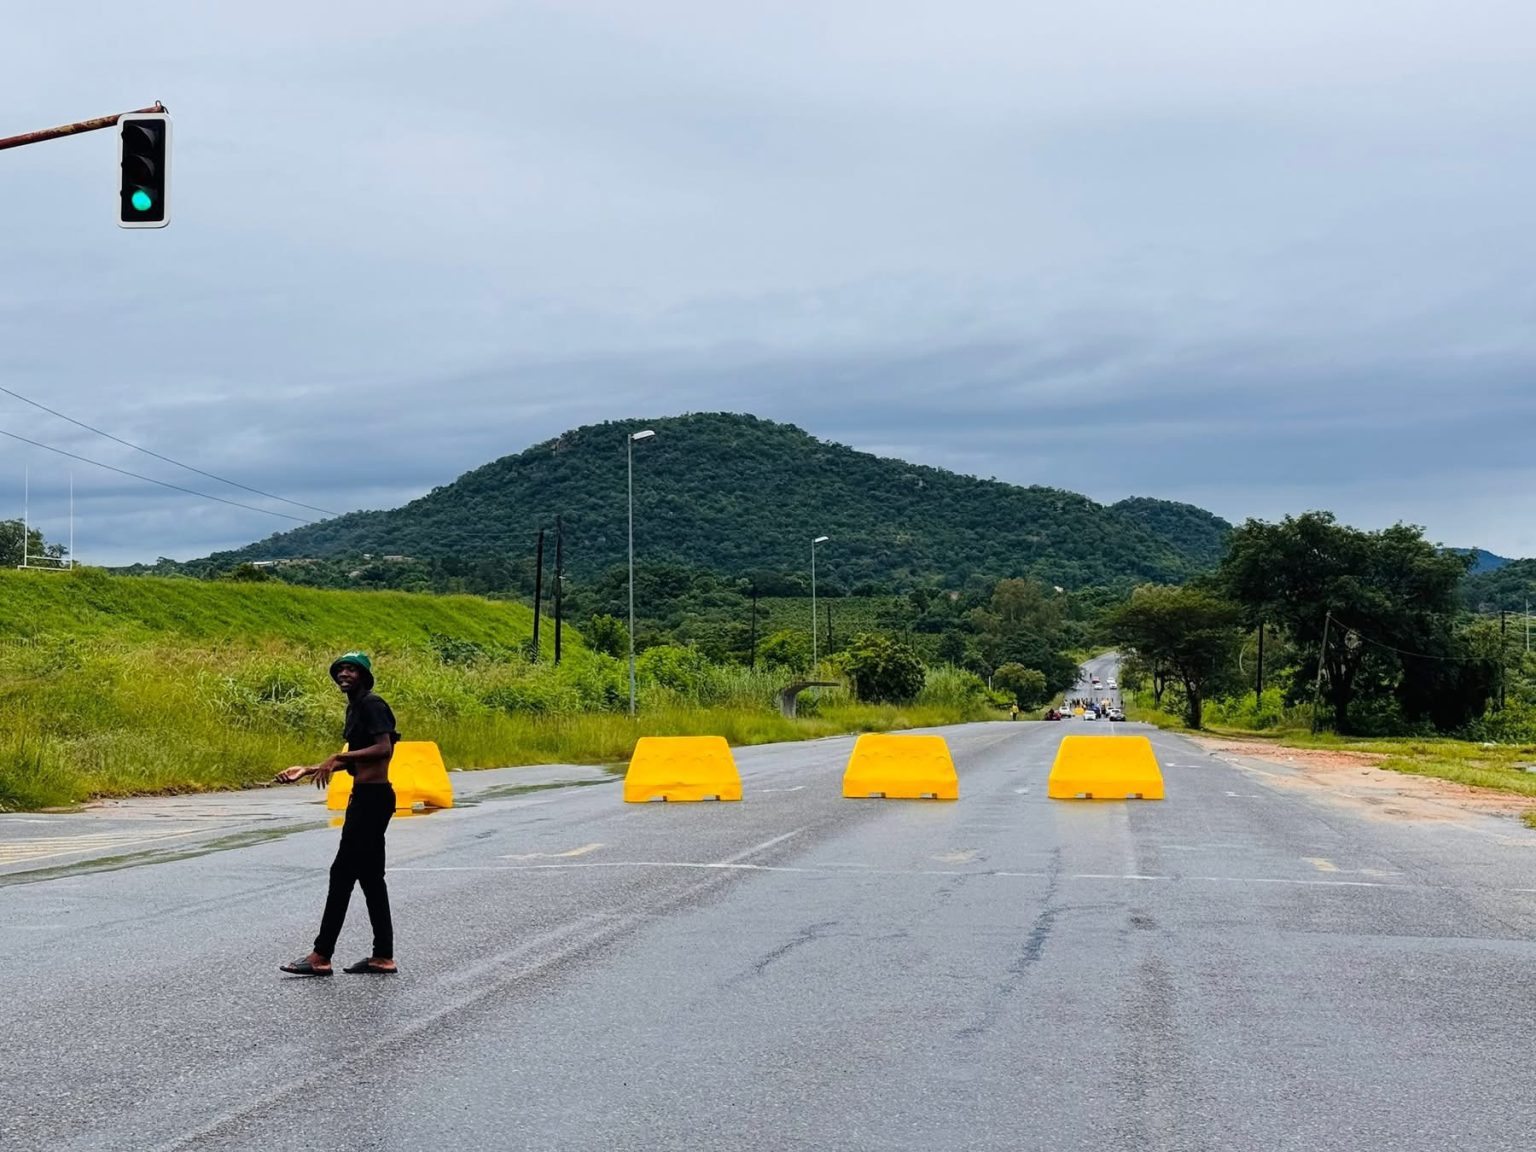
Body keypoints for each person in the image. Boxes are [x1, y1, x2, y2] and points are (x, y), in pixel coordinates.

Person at [274, 651, 401, 976]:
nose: (344, 673)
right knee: (372, 878)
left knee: (342, 874)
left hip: (372, 800)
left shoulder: (373, 704)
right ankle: (382, 956)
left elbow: (383, 749)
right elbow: (358, 762)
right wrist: (310, 769)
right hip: (367, 796)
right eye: (340, 669)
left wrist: (334, 757)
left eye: (352, 669)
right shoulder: (355, 707)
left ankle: (320, 956)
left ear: (364, 676)